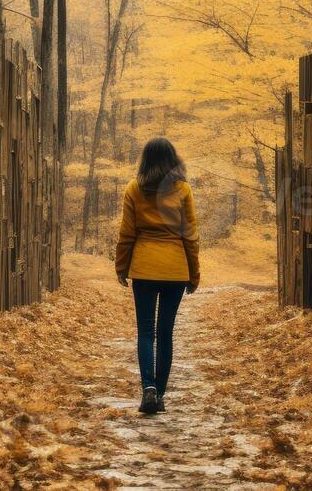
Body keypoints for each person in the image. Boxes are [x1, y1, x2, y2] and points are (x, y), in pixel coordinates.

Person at [115, 137, 200, 416]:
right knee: (165, 333)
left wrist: (122, 267)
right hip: (175, 269)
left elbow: (127, 234)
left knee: (145, 332)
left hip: (144, 269)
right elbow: (190, 236)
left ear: (146, 160)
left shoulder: (134, 189)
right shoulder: (182, 189)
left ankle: (148, 389)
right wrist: (193, 273)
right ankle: (160, 395)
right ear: (172, 159)